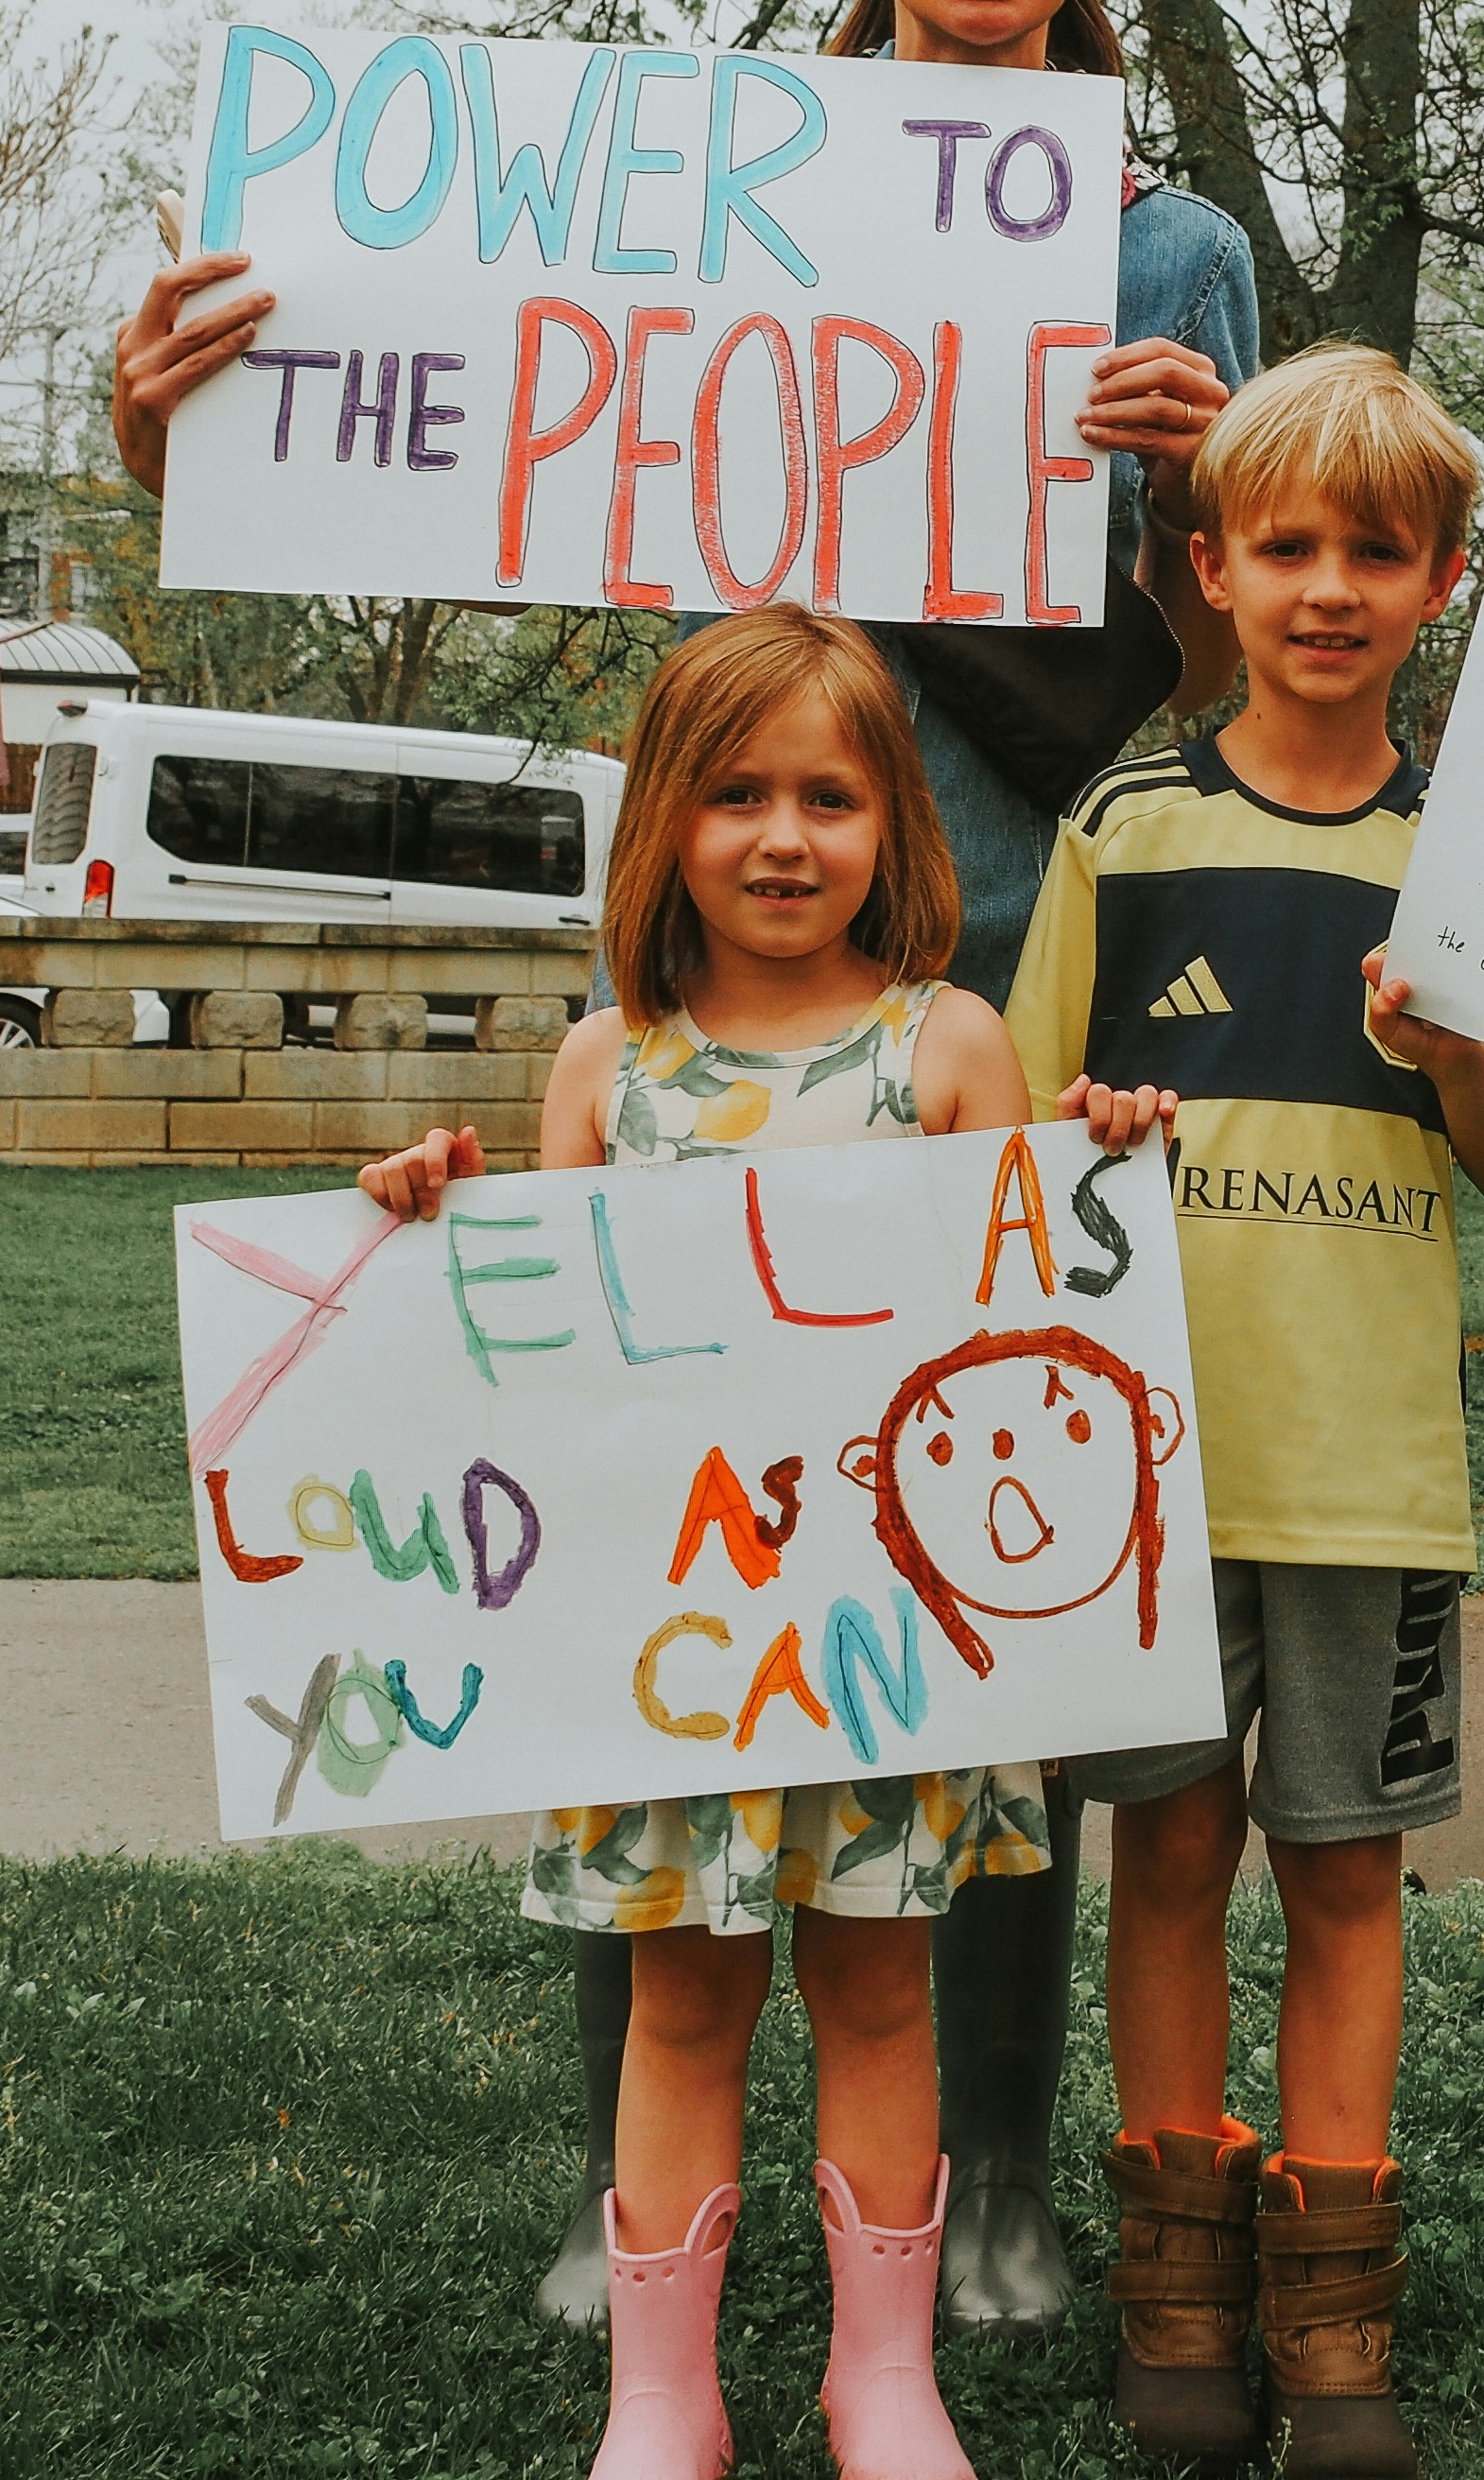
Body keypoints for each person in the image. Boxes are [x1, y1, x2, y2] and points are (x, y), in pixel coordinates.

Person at [106, 0, 1258, 2339]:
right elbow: (391, 459)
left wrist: (1193, 509)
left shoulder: (1173, 251)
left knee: (975, 1567)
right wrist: (177, 439)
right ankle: (623, 2175)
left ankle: (979, 2168)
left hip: (987, 970)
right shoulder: (647, 204)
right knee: (639, 1571)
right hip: (703, 986)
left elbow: (1238, 643)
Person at [354, 606, 1053, 2480]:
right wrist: (440, 1226)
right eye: (734, 791)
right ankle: (658, 2400)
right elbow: (539, 1356)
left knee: (884, 1985)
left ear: (894, 825)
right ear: (662, 822)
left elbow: (1033, 1324)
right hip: (676, 1644)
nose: (782, 834)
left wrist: (1106, 1151)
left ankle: (880, 2380)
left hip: (884, 1643)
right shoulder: (609, 1070)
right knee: (679, 2001)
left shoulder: (953, 1049)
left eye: (829, 794)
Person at [1006, 347, 1484, 2477]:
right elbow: (1015, 1129)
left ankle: (1333, 2312)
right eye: (1289, 547)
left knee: (1345, 1875)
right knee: (1168, 1849)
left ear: (1436, 581)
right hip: (1144, 1476)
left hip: (1369, 1485)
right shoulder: (1123, 832)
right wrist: (1085, 1119)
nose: (1329, 586)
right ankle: (1177, 2287)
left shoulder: (1473, 862)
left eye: (1377, 551)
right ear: (1209, 570)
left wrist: (1445, 1058)